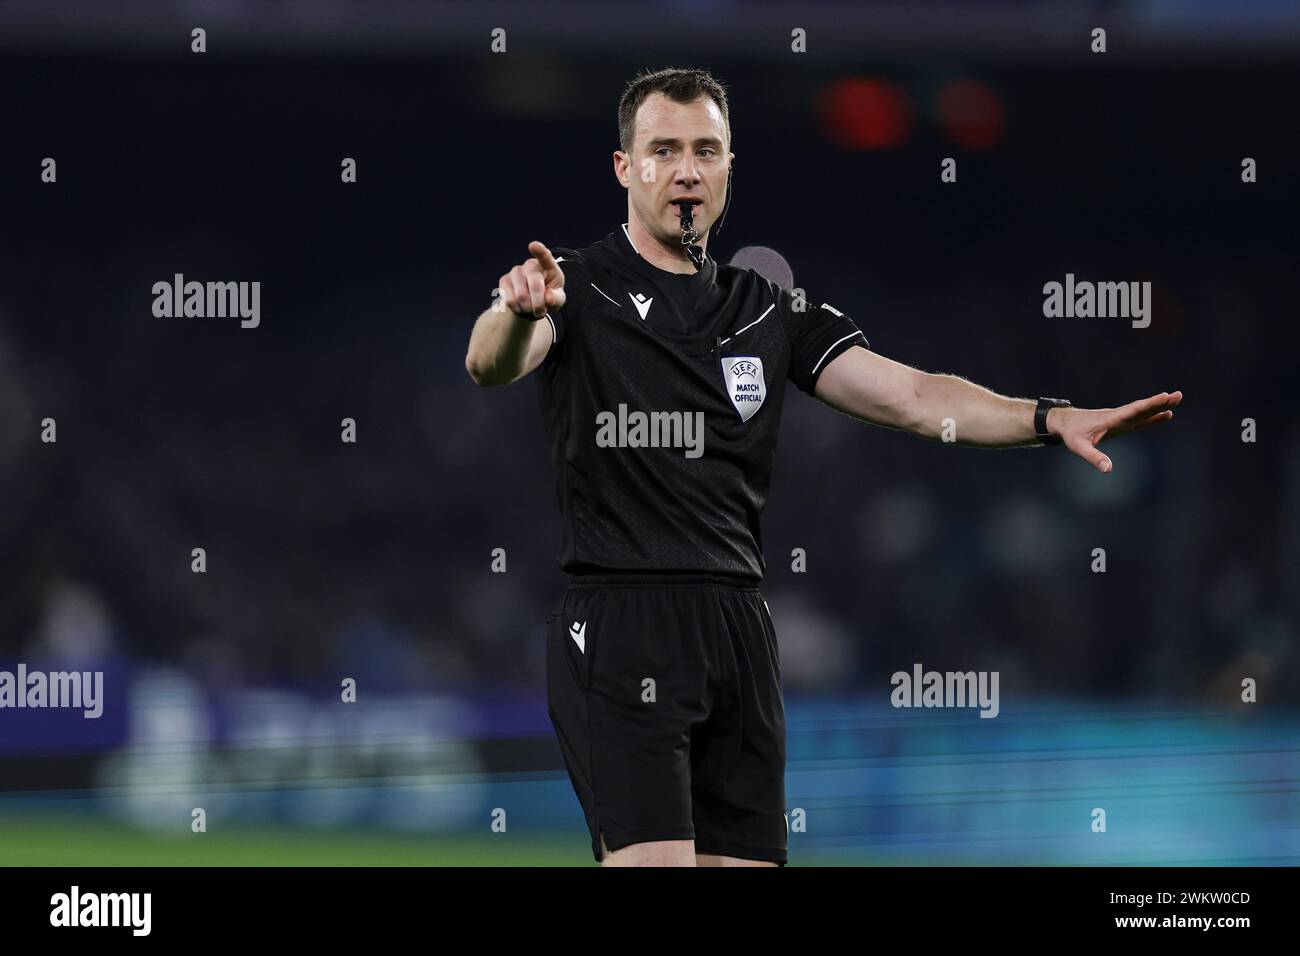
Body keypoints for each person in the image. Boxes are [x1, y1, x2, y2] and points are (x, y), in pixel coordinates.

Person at [464, 67, 1182, 867]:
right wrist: (514, 309)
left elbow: (914, 395)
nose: (687, 171)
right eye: (663, 151)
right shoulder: (576, 287)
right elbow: (492, 363)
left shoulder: (768, 308)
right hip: (623, 621)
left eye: (706, 150)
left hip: (738, 627)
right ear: (625, 168)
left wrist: (1049, 418)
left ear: (730, 165)